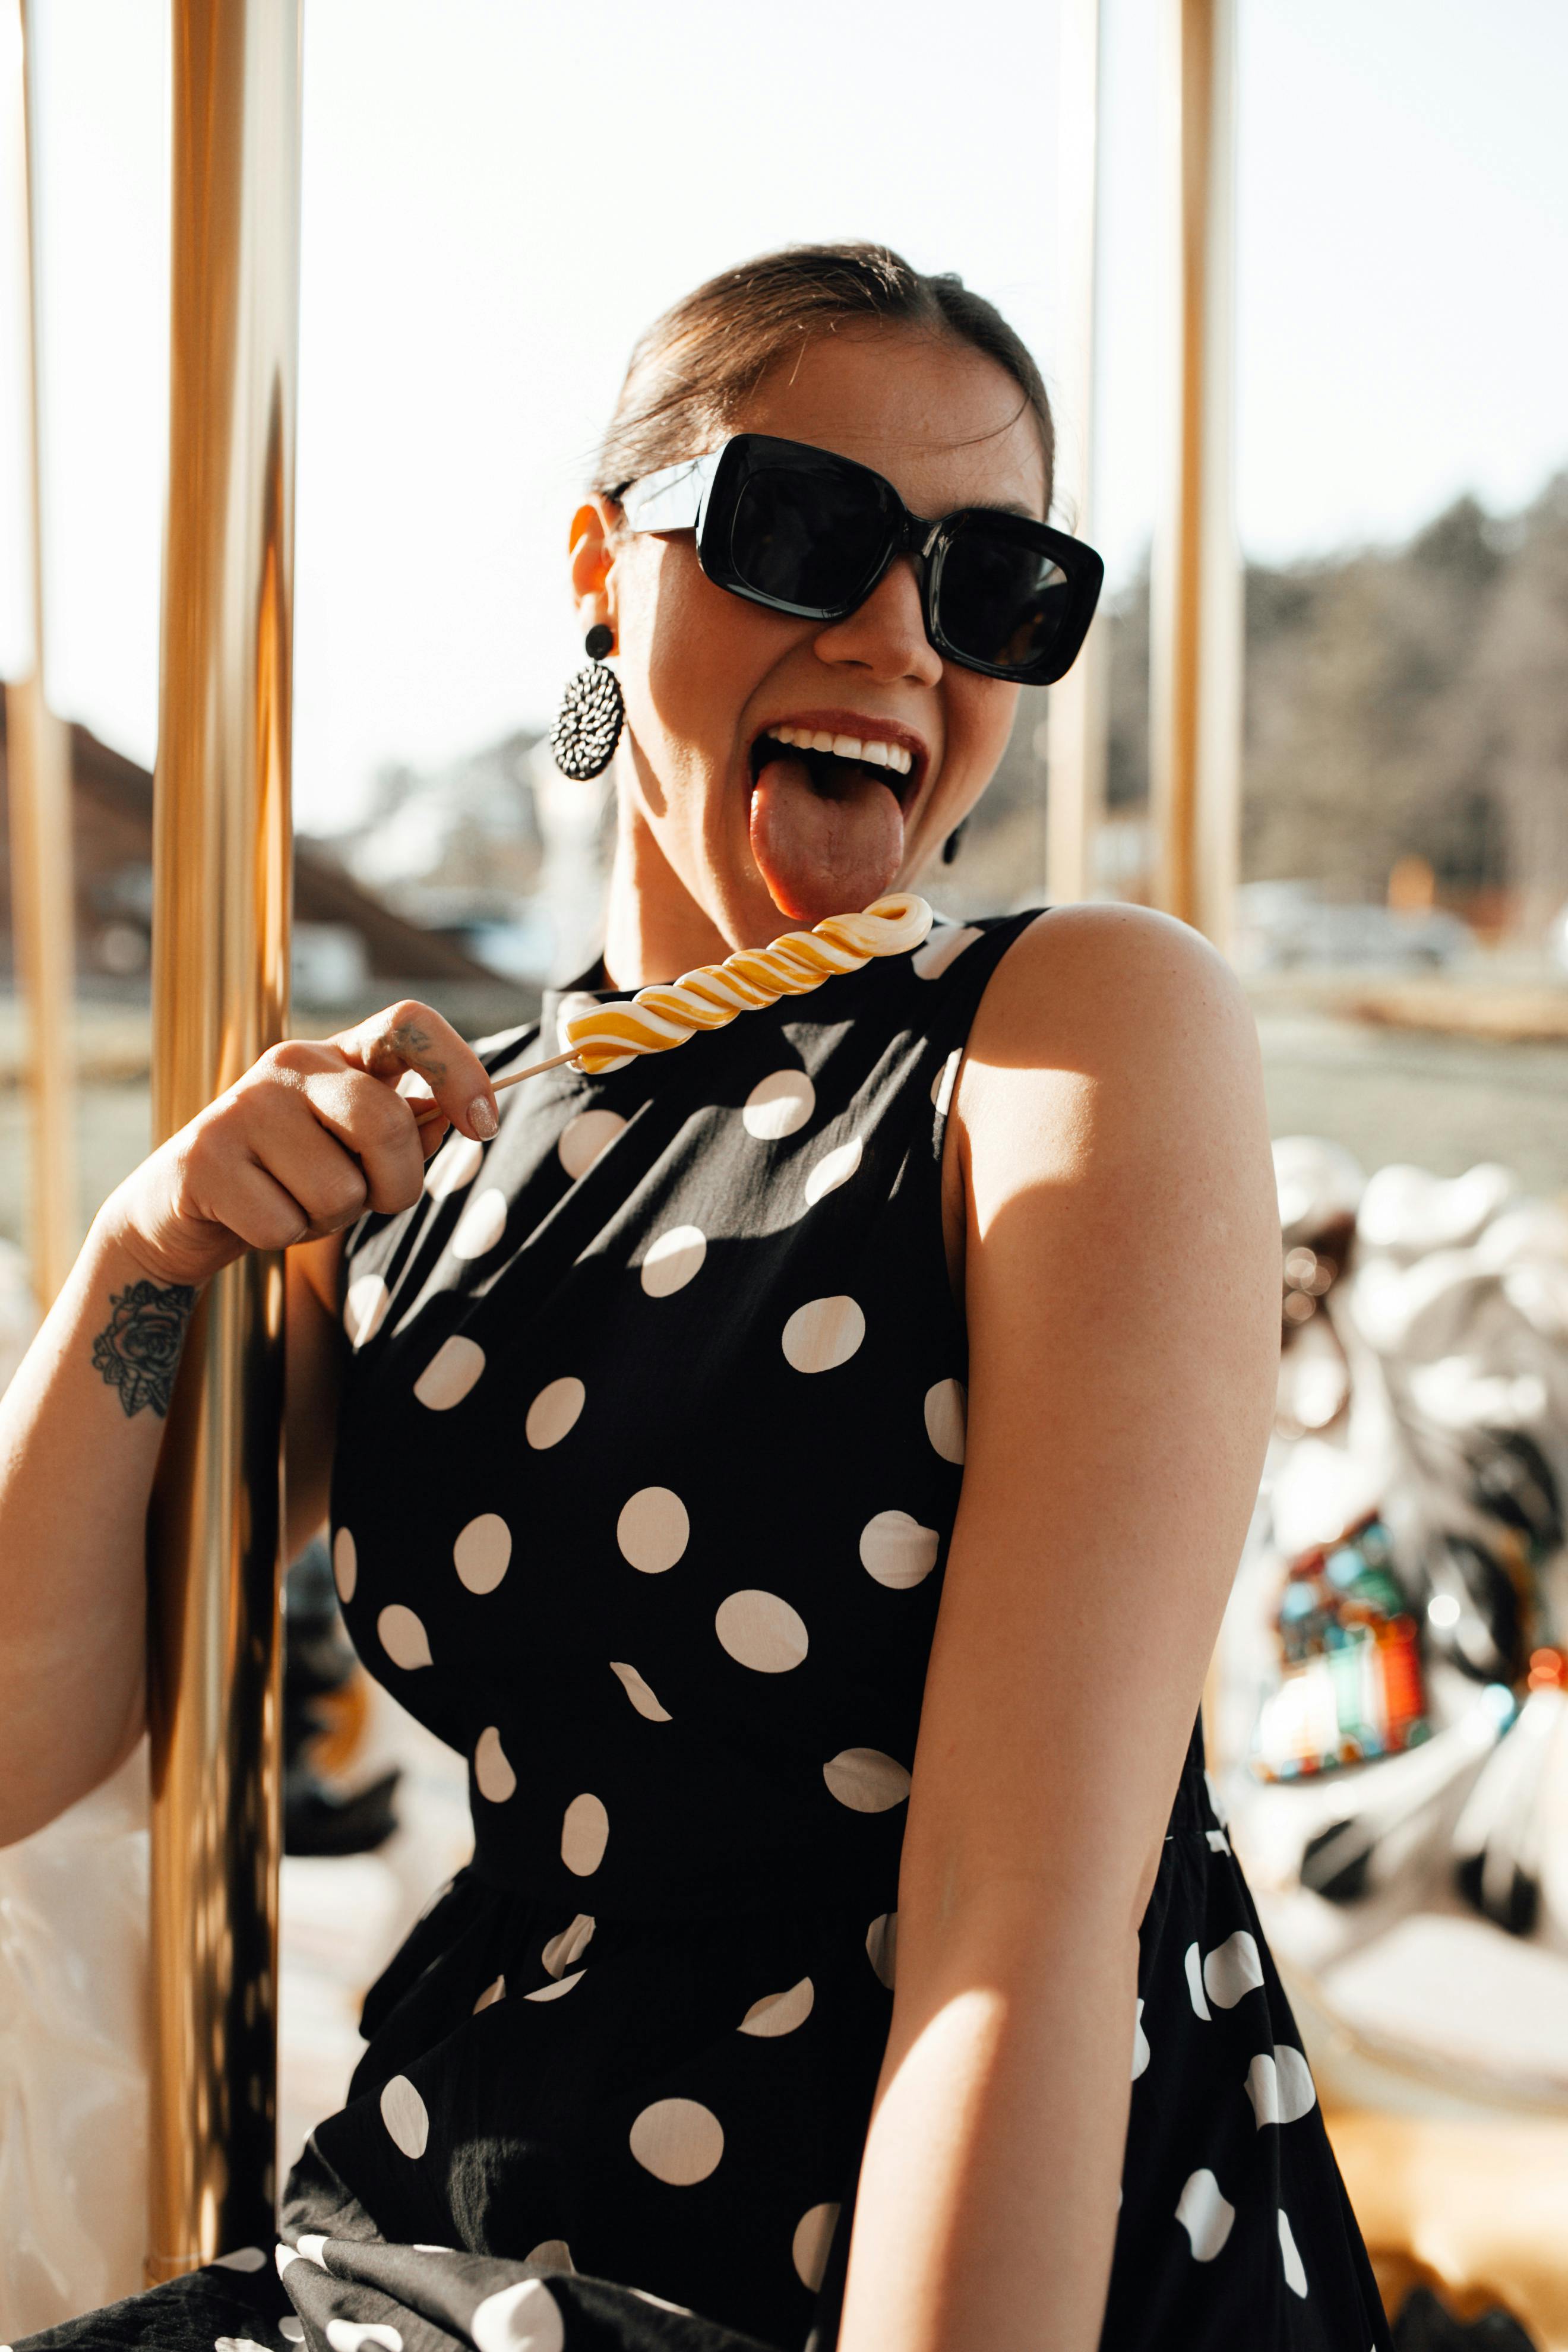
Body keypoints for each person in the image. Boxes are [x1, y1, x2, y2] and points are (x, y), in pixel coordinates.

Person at [0, 243, 1390, 2352]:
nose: (899, 634)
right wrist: (140, 1252)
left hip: (946, 2263)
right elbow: (25, 1733)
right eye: (803, 529)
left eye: (993, 584)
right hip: (446, 2233)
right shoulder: (443, 1144)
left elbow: (1018, 1925)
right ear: (601, 568)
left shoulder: (1062, 1032)